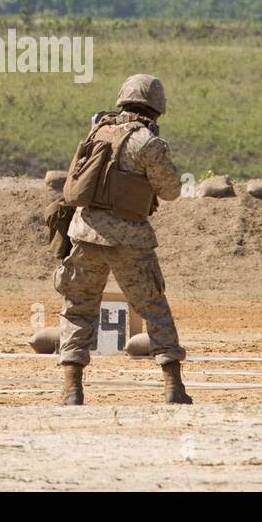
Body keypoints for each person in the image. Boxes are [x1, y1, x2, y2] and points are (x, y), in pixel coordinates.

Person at [56, 74, 191, 405]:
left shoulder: (98, 131)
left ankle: (72, 389)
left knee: (77, 308)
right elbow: (171, 191)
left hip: (85, 234)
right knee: (153, 307)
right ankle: (173, 386)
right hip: (129, 238)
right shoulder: (149, 143)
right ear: (157, 108)